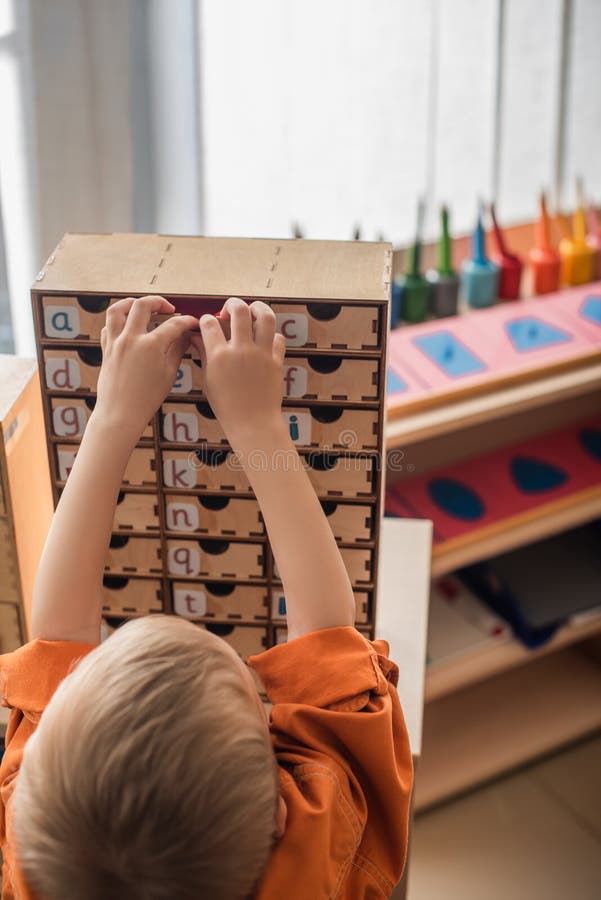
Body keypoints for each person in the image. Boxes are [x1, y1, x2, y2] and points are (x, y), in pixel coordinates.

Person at [0, 295, 413, 899]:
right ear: (280, 814)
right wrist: (258, 426)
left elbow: (55, 639)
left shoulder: (42, 858)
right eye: (252, 691)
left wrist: (112, 415)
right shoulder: (325, 858)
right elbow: (329, 639)